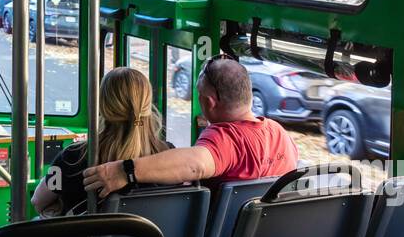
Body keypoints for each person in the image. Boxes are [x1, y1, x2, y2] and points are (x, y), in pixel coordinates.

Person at [82, 56, 297, 200]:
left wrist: (124, 171)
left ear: (210, 102)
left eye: (200, 97)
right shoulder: (279, 133)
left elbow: (196, 165)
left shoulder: (225, 138)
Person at [30, 67, 171, 237]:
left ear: (102, 105)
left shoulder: (74, 157)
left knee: (31, 235)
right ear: (147, 103)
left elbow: (38, 201)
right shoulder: (168, 159)